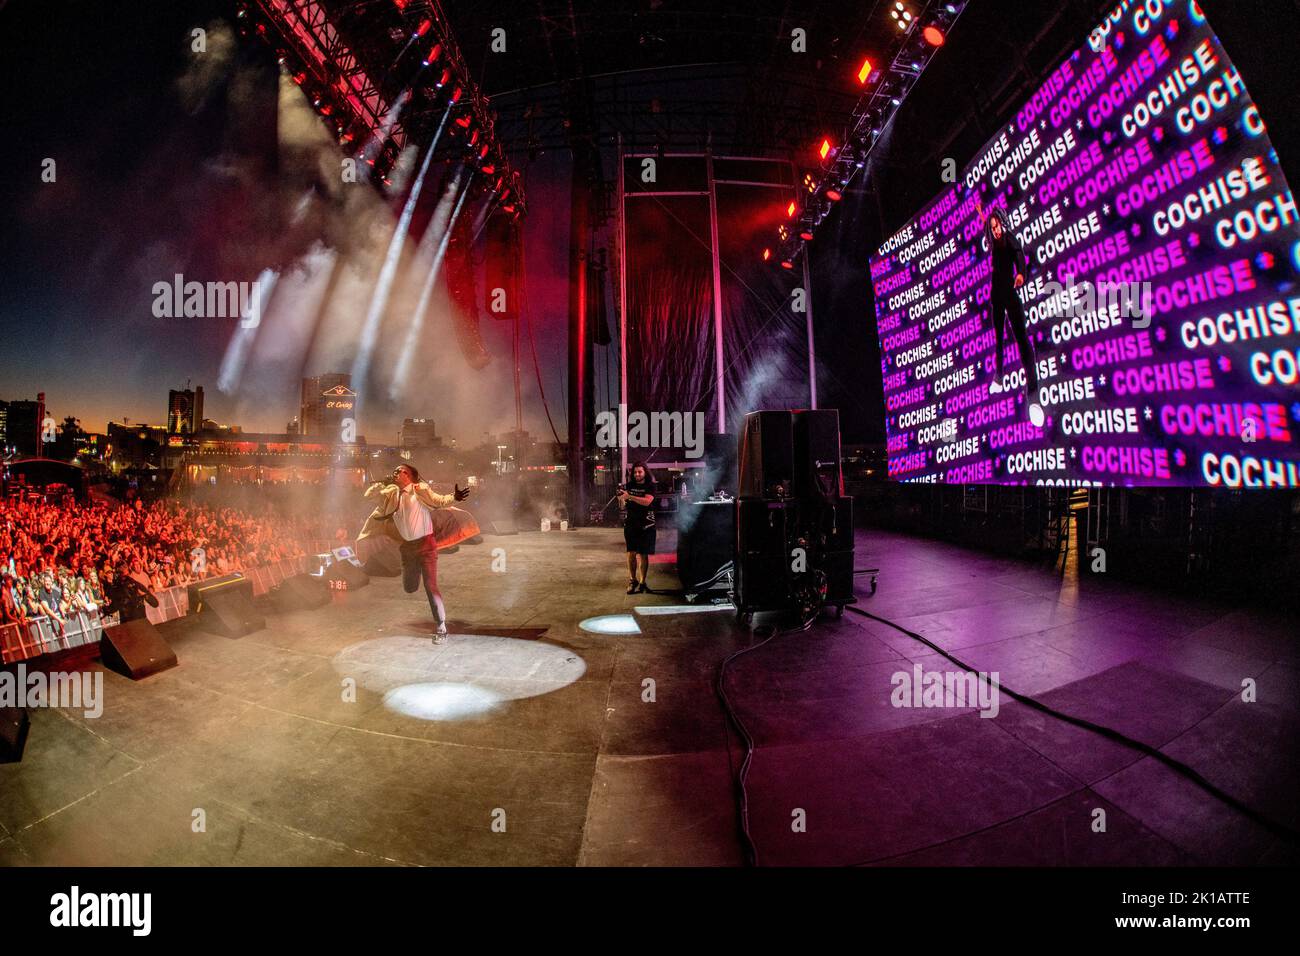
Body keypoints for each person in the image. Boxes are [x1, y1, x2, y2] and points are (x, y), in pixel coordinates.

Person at [358, 464, 470, 643]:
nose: (395, 473)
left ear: (409, 475)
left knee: (430, 585)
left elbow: (439, 500)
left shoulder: (420, 490)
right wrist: (380, 485)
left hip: (426, 546)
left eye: (399, 471)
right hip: (407, 549)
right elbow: (368, 496)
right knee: (409, 587)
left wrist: (454, 497)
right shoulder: (391, 494)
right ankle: (414, 574)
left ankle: (441, 626)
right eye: (394, 470)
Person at [976, 197, 1045, 428]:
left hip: (1011, 294)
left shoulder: (1010, 239)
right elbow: (987, 228)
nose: (995, 231)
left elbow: (1021, 260)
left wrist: (1021, 275)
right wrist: (982, 216)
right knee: (998, 340)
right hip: (997, 297)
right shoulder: (994, 243)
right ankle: (999, 376)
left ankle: (1033, 395)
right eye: (992, 228)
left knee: (1021, 339)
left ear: (1003, 224)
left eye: (997, 226)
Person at [619, 462, 656, 594]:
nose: (637, 474)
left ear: (645, 472)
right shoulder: (629, 486)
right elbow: (623, 506)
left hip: (647, 523)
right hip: (631, 522)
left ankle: (642, 582)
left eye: (640, 472)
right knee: (631, 553)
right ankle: (632, 580)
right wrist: (621, 499)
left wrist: (629, 496)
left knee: (644, 554)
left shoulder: (650, 486)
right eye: (635, 472)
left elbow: (647, 501)